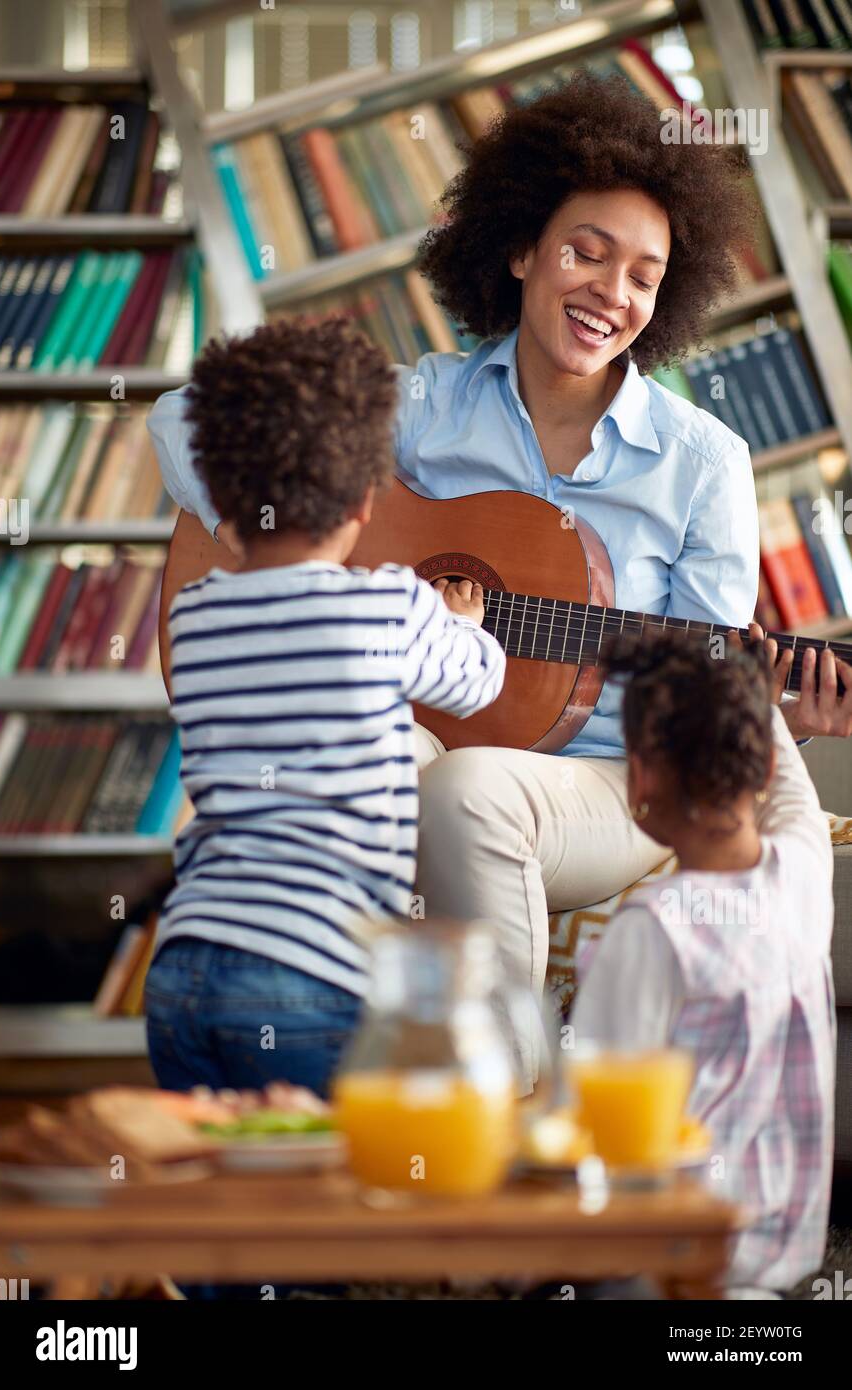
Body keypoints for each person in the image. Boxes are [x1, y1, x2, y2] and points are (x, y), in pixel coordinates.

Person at [148, 71, 847, 1080]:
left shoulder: (704, 464)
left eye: (642, 275)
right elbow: (177, 419)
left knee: (471, 787)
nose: (611, 292)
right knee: (389, 759)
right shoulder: (427, 406)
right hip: (439, 754)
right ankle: (321, 1095)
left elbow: (695, 698)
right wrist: (304, 559)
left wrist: (772, 712)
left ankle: (501, 1108)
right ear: (519, 248)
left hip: (607, 784)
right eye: (585, 252)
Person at [144, 316, 505, 1097]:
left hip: (183, 962)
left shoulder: (195, 615)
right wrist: (461, 623)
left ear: (225, 505)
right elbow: (480, 682)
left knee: (228, 1184)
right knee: (332, 1189)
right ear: (364, 505)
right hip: (308, 967)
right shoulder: (390, 609)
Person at [572, 626, 837, 1297]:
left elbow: (594, 1124)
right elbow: (795, 803)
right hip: (769, 1266)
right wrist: (762, 703)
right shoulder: (805, 875)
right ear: (768, 766)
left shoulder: (654, 932)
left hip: (657, 1270)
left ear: (641, 777)